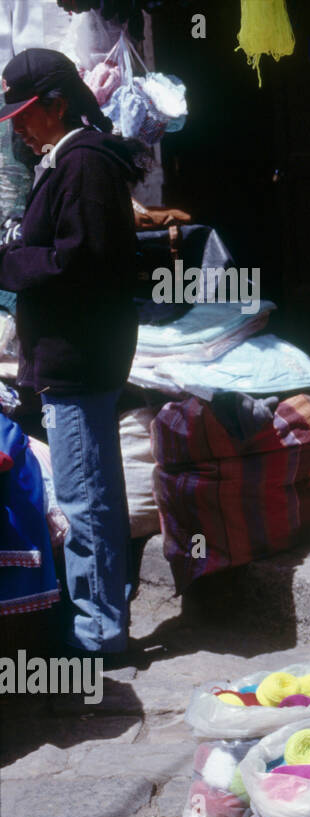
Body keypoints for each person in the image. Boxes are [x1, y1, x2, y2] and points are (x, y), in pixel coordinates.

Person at [0, 48, 150, 656]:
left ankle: (98, 632)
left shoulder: (83, 163)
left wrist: (5, 263)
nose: (18, 125)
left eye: (27, 114)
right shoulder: (69, 160)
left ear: (57, 106)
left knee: (85, 496)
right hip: (76, 354)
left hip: (80, 356)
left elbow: (78, 260)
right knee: (92, 489)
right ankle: (101, 620)